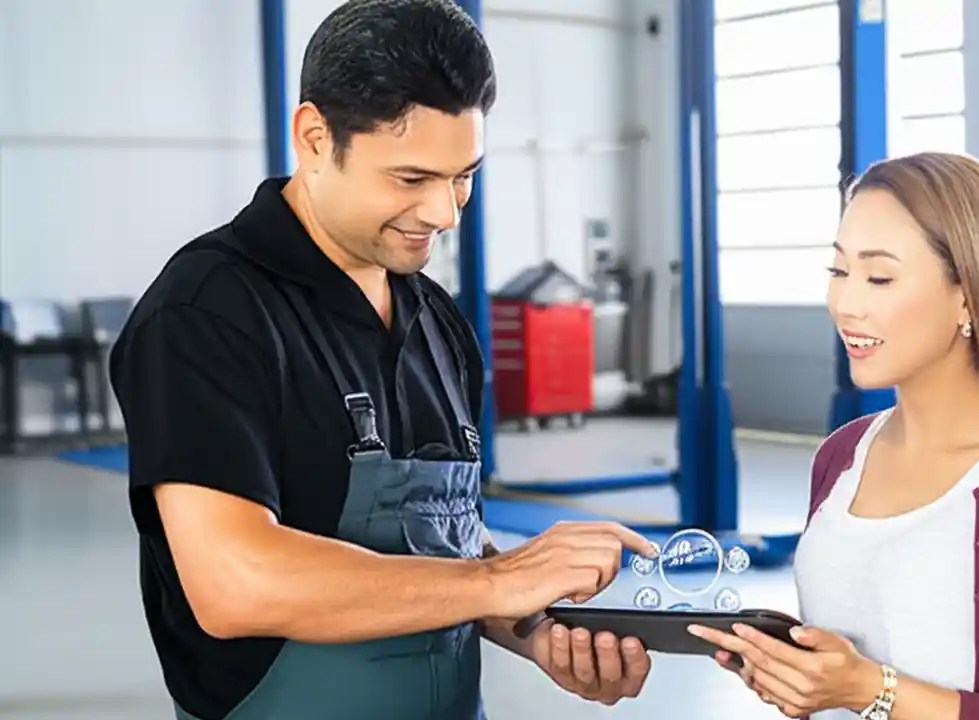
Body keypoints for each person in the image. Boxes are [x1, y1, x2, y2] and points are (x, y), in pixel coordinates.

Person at [109, 2, 655, 718]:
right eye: (410, 179)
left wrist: (535, 628)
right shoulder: (207, 312)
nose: (445, 213)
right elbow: (235, 582)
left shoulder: (439, 322)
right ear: (314, 137)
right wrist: (498, 584)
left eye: (464, 176)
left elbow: (444, 539)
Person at [688, 152, 979, 719]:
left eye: (879, 277)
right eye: (838, 272)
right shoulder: (841, 457)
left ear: (969, 296)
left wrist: (871, 690)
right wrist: (795, 673)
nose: (846, 303)